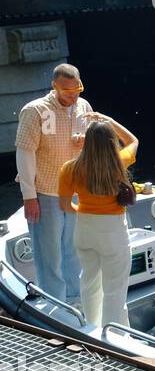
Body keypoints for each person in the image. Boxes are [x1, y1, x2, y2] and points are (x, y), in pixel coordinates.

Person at [15, 64, 95, 304]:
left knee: (74, 250)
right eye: (67, 91)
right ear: (54, 87)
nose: (73, 96)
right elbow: (25, 152)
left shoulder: (84, 107)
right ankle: (54, 303)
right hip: (46, 191)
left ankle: (75, 300)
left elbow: (96, 140)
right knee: (49, 253)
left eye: (77, 89)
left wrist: (86, 140)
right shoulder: (35, 110)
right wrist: (29, 195)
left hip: (76, 191)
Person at [56, 115, 138, 329]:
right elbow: (133, 141)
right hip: (113, 231)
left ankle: (91, 330)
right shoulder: (120, 162)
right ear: (112, 142)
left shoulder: (70, 168)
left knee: (89, 282)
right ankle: (114, 337)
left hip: (84, 229)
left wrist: (83, 211)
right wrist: (109, 120)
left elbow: (65, 206)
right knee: (115, 288)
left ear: (87, 141)